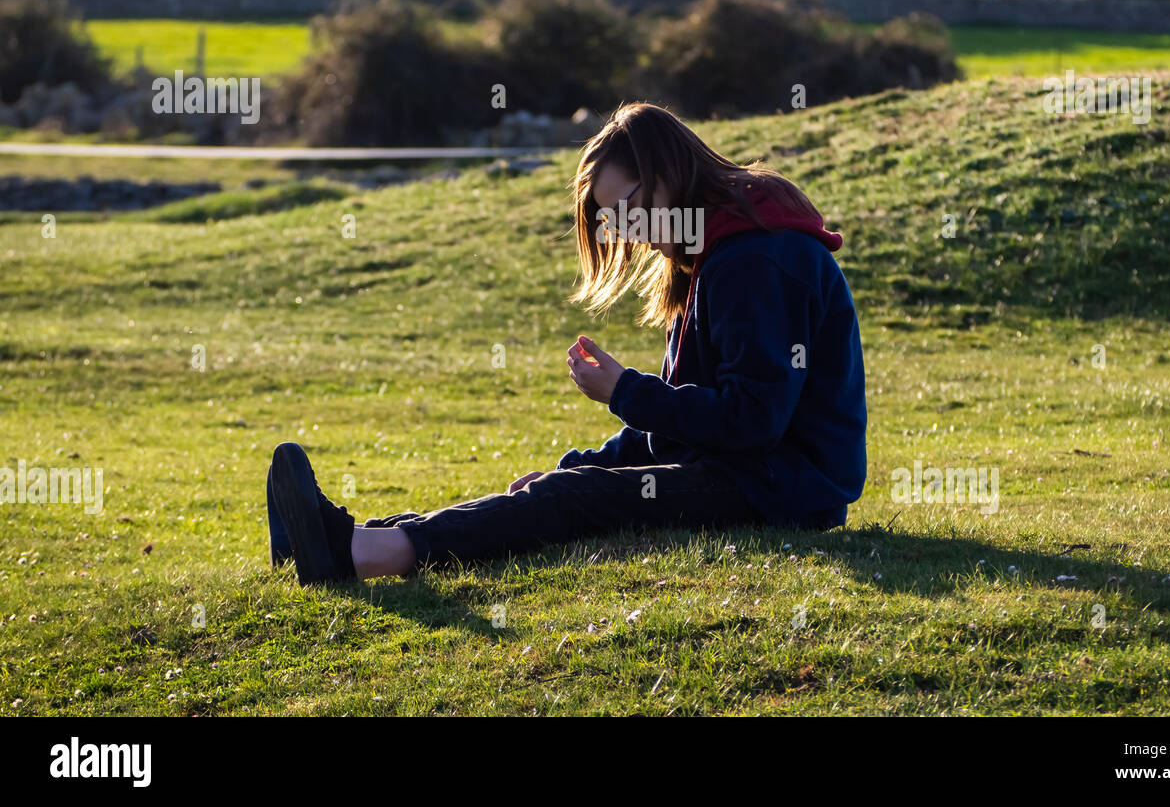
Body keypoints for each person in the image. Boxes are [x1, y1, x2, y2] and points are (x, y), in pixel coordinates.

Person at [266, 102, 867, 585]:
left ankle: (358, 556)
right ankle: (341, 540)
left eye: (628, 209)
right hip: (744, 474)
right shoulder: (714, 253)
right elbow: (690, 423)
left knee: (571, 498)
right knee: (565, 488)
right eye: (613, 221)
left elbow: (752, 421)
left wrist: (625, 391)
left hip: (783, 490)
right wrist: (581, 465)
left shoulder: (756, 258)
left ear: (668, 171)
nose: (627, 232)